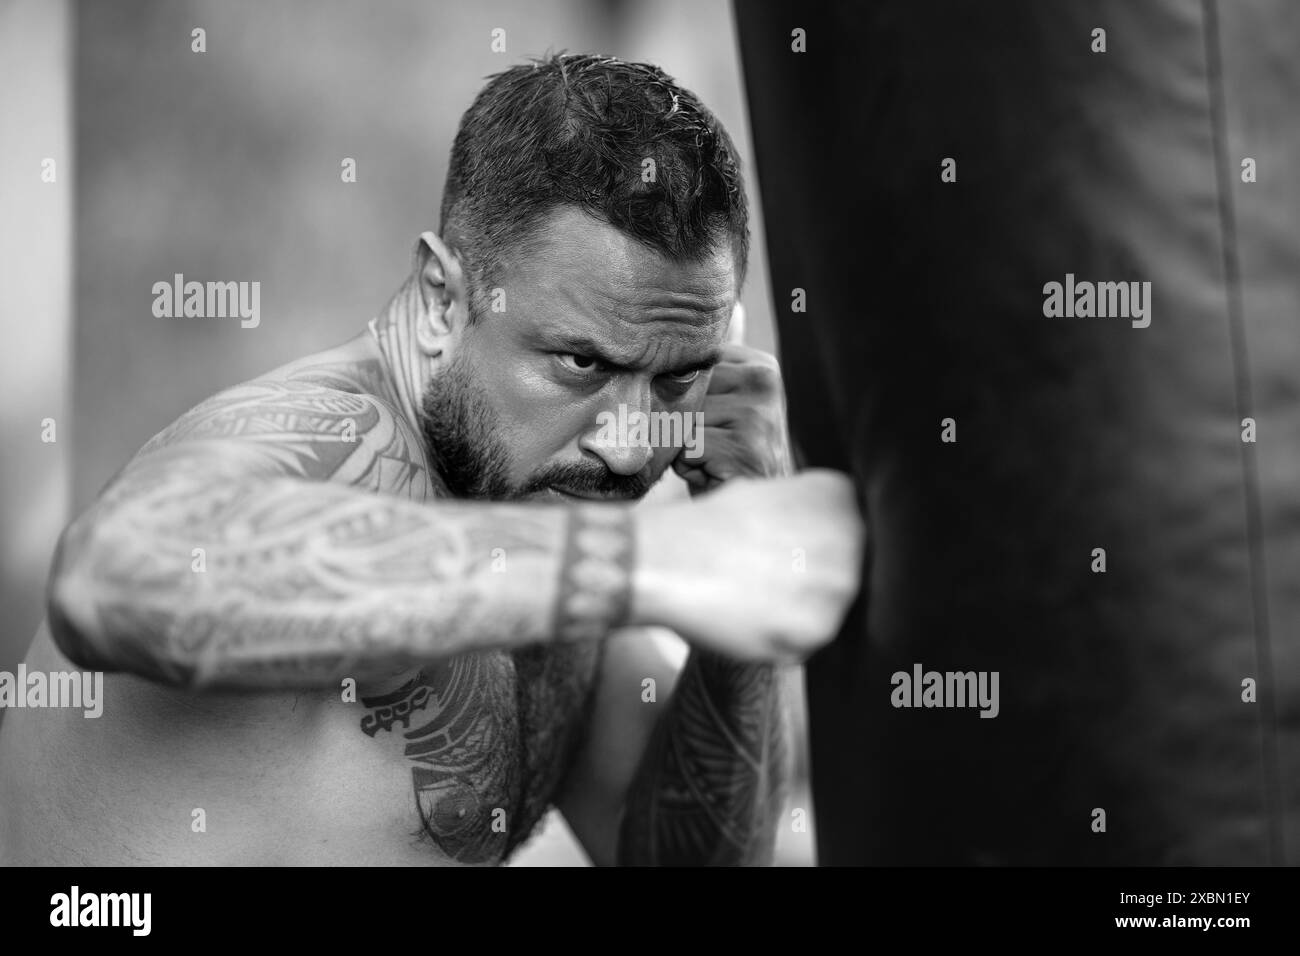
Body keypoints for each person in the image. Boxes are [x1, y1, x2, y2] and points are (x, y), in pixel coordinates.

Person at [0, 54, 862, 866]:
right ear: (443, 301)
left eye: (676, 378)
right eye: (582, 364)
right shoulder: (327, 437)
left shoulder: (548, 522)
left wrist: (744, 628)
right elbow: (109, 580)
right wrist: (656, 560)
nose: (630, 445)